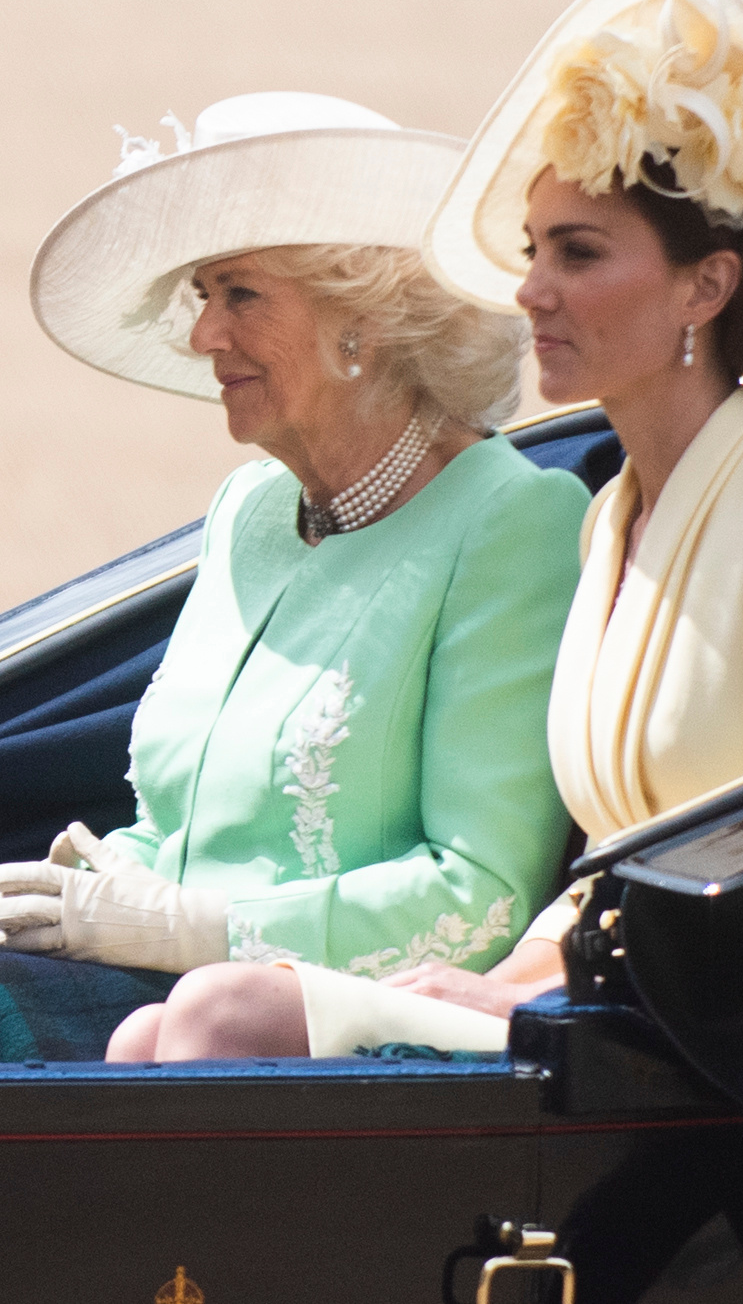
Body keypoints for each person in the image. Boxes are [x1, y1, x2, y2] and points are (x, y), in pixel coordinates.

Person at [106, 0, 743, 1064]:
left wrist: (533, 992)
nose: (529, 289)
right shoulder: (614, 515)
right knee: (145, 1036)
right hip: (585, 1000)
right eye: (534, 252)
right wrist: (513, 977)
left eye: (576, 255)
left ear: (705, 286)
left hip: (707, 1048)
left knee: (210, 1017)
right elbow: (601, 863)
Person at [0, 91, 590, 1061]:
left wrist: (194, 931)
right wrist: (84, 889)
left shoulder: (511, 521)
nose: (203, 336)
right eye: (203, 296)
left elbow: (479, 894)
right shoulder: (252, 511)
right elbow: (182, 832)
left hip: (332, 1030)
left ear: (358, 319)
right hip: (153, 999)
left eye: (240, 295)